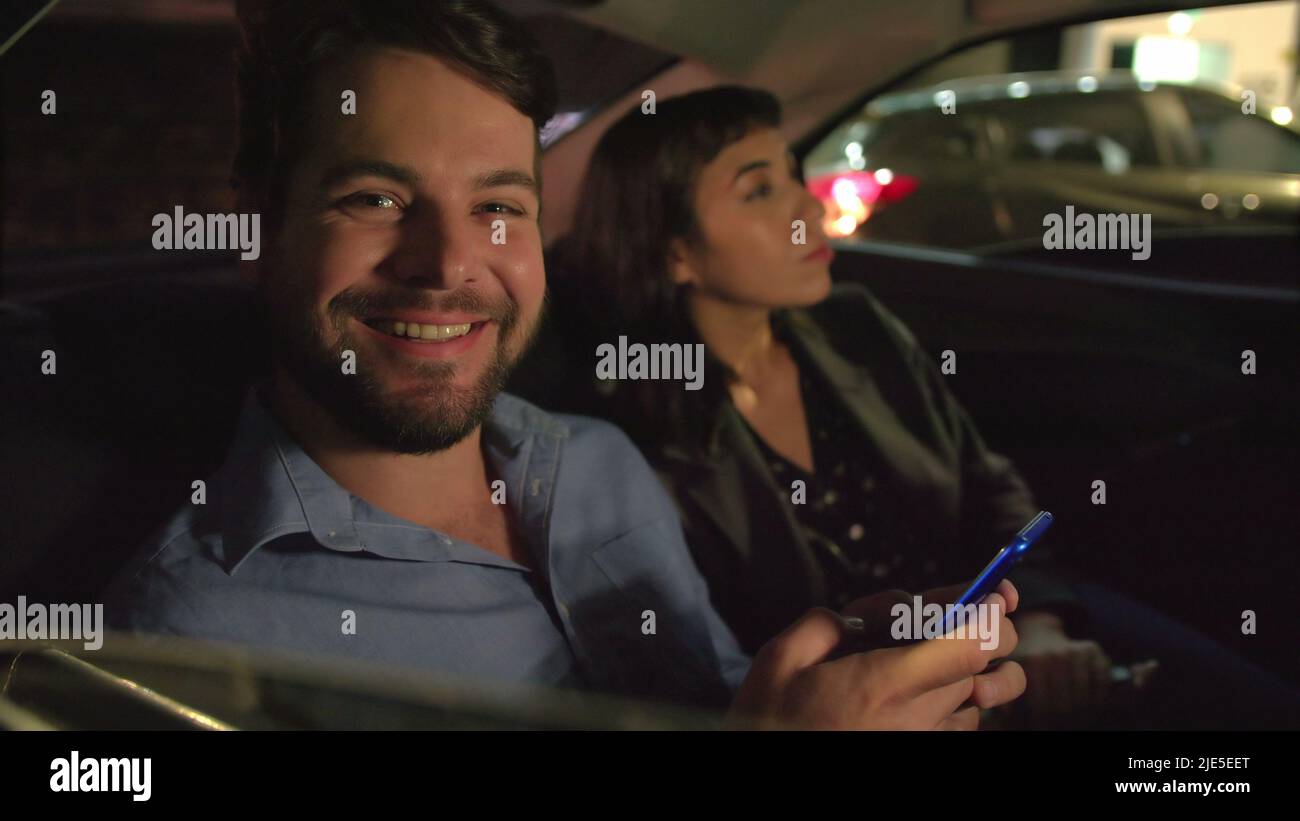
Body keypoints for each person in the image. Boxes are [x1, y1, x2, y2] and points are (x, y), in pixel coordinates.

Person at [102, 0, 1026, 730]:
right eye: (376, 197)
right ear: (260, 226)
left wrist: (825, 691)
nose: (452, 263)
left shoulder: (600, 464)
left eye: (500, 206)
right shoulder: (191, 639)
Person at [529, 85, 1300, 729]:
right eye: (759, 189)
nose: (807, 206)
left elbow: (989, 485)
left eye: (797, 175)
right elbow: (710, 660)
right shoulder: (630, 431)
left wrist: (1036, 617)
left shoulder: (854, 327)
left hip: (1006, 628)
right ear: (674, 251)